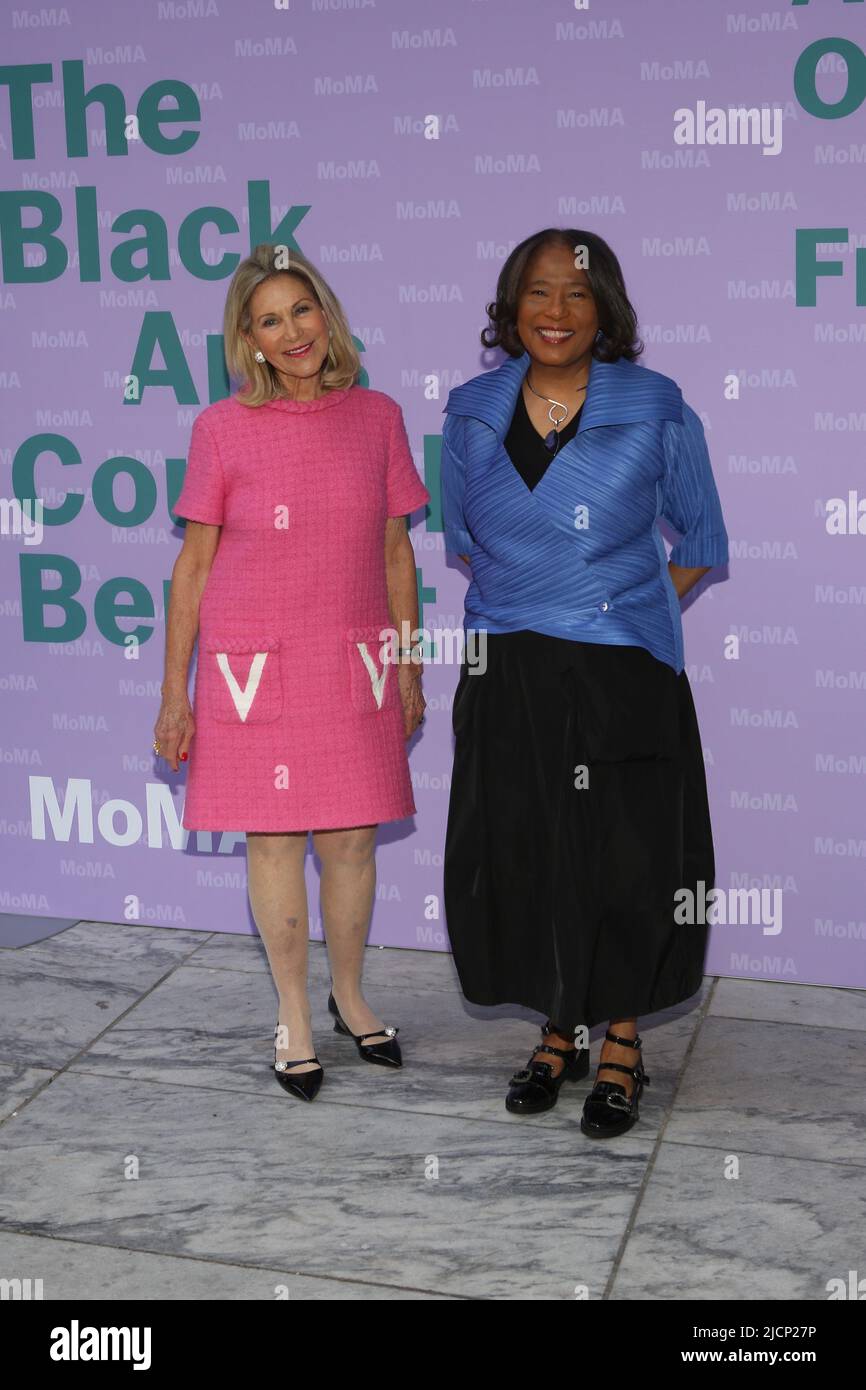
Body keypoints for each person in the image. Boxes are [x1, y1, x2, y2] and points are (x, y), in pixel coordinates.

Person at [440, 228, 729, 1139]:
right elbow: (467, 544)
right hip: (507, 668)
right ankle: (557, 1030)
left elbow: (704, 543)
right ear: (509, 306)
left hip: (622, 671)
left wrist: (625, 608)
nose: (555, 313)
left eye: (576, 294)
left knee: (628, 855)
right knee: (526, 849)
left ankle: (624, 1044)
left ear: (605, 307)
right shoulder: (472, 410)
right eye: (537, 293)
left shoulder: (657, 407)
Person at [153, 244, 429, 1103]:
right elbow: (191, 569)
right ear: (250, 339)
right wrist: (175, 691)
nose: (292, 331)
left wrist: (409, 661)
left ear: (327, 314)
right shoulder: (220, 429)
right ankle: (295, 1017)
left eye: (301, 311)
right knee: (272, 840)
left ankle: (350, 996)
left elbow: (395, 551)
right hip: (251, 671)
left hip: (354, 658)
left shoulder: (378, 416)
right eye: (269, 320)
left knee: (350, 840)